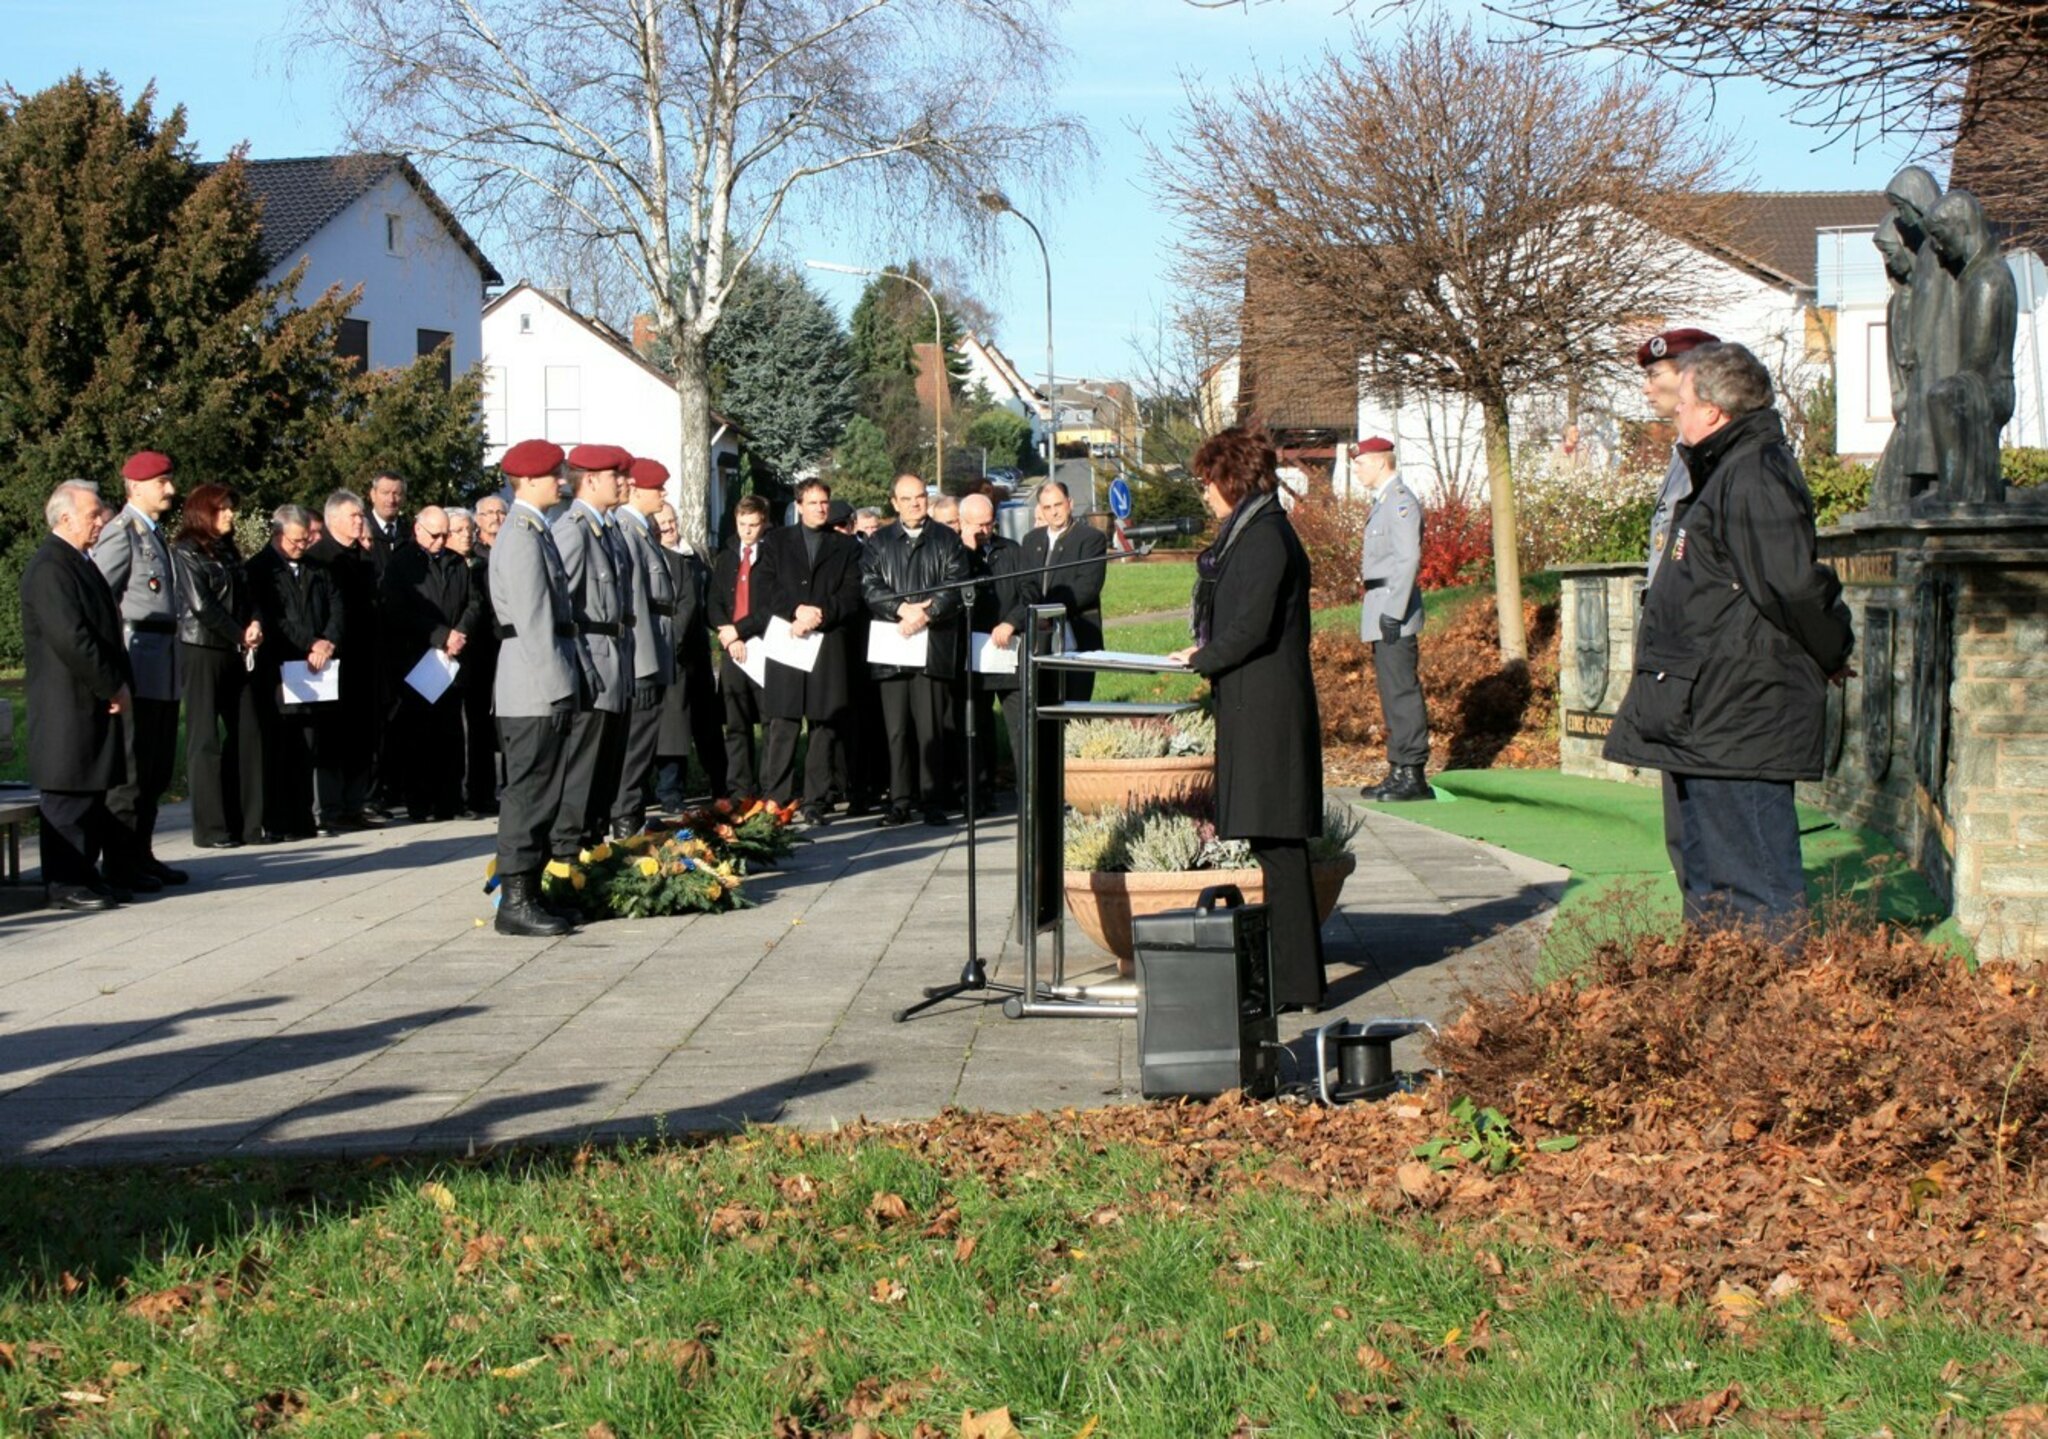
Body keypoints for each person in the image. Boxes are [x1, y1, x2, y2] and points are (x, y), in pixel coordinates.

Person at [1604, 342, 1854, 945]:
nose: (1676, 410)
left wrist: (1833, 649)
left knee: (1755, 894)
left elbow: (1790, 584)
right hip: (1708, 712)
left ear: (1714, 411)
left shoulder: (1754, 471)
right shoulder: (1725, 467)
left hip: (1741, 713)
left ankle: (1770, 1000)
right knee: (1712, 887)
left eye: (1685, 402)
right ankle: (1719, 993)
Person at [1167, 426, 1326, 1011]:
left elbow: (1252, 626)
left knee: (1280, 848)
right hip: (1256, 706)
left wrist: (1203, 658)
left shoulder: (1264, 537)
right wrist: (1205, 654)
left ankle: (1297, 984)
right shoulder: (1255, 529)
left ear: (1232, 479)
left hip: (1269, 712)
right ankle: (1296, 982)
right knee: (1275, 848)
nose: (1205, 492)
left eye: (1209, 481)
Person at [1636, 325, 1720, 887]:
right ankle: (1702, 920)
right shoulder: (1682, 456)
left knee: (1701, 818)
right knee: (1680, 814)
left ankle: (1714, 923)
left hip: (1695, 651)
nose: (1647, 389)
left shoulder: (1709, 459)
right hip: (1672, 645)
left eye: (1655, 376)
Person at [23, 482, 133, 911]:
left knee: (89, 792)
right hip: (66, 701)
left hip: (86, 698)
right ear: (65, 518)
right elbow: (72, 638)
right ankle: (64, 883)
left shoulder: (78, 561)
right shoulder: (51, 567)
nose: (101, 520)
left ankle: (85, 875)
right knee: (67, 793)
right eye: (92, 514)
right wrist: (110, 684)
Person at [489, 440, 582, 937]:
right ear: (525, 481)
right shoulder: (522, 537)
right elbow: (535, 621)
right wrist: (559, 686)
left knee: (543, 792)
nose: (562, 482)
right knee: (528, 793)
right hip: (532, 684)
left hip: (537, 680)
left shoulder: (534, 530)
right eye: (553, 475)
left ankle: (532, 891)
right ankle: (515, 901)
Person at [740, 478, 865, 821]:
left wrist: (818, 614)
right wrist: (795, 611)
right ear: (798, 506)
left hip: (827, 640)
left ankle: (814, 800)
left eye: (824, 502)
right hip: (789, 636)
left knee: (824, 724)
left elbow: (851, 593)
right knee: (783, 721)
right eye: (812, 503)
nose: (820, 509)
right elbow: (766, 587)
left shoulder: (846, 546)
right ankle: (776, 799)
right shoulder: (777, 541)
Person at [93, 449, 188, 889]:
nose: (170, 489)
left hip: (163, 661)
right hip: (138, 659)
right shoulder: (121, 533)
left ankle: (142, 853)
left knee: (156, 768)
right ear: (134, 487)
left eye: (169, 480)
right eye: (161, 482)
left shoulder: (154, 533)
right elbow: (99, 599)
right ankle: (120, 861)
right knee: (133, 769)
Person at [862, 472, 970, 826]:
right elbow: (869, 585)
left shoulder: (947, 539)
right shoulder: (878, 542)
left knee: (930, 729)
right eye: (906, 498)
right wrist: (900, 609)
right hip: (893, 643)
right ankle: (899, 801)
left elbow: (956, 584)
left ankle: (932, 800)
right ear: (894, 503)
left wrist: (927, 613)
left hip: (931, 646)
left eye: (919, 497)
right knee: (896, 731)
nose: (914, 504)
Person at [550, 444, 636, 856]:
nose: (623, 482)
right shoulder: (573, 529)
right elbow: (560, 607)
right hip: (592, 666)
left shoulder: (608, 529)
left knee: (606, 770)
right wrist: (581, 667)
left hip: (615, 662)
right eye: (614, 476)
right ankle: (568, 855)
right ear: (590, 480)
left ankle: (593, 850)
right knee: (582, 771)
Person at [171, 483, 264, 849]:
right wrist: (239, 634)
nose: (230, 514)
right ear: (203, 512)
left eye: (230, 508)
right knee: (204, 738)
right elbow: (201, 604)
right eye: (222, 509)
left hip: (235, 647)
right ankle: (211, 828)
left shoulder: (228, 550)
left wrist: (255, 622)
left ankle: (248, 824)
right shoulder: (185, 550)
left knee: (248, 732)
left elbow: (249, 594)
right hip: (202, 648)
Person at [247, 505, 341, 843]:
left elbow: (336, 607)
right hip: (279, 665)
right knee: (280, 745)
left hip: (315, 667)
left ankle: (303, 817)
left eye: (306, 540)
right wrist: (310, 642)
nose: (302, 546)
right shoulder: (260, 569)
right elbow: (273, 618)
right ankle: (277, 819)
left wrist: (327, 641)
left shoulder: (317, 568)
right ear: (277, 535)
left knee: (308, 743)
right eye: (296, 541)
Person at [380, 506, 471, 821]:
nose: (441, 541)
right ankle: (419, 802)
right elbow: (398, 610)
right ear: (418, 530)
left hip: (452, 658)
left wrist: (459, 633)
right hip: (417, 658)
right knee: (419, 734)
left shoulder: (456, 562)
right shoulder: (401, 564)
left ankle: (450, 801)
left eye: (446, 534)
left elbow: (473, 602)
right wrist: (441, 635)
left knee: (450, 732)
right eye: (435, 535)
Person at [1353, 436, 1430, 802]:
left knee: (1401, 690)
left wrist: (1393, 612)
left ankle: (1413, 772)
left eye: (1360, 462)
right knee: (1390, 691)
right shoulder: (1383, 502)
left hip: (1392, 608)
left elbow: (1407, 559)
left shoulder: (1400, 502)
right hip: (1381, 605)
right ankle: (1398, 768)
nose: (1356, 469)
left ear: (1381, 462)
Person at [306, 490, 385, 831]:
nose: (360, 520)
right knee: (332, 737)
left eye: (361, 515)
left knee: (361, 735)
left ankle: (355, 804)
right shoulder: (319, 558)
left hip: (365, 658)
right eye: (353, 515)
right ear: (333, 518)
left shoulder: (363, 557)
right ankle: (330, 808)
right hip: (333, 658)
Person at [608, 458, 677, 837]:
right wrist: (645, 664)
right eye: (657, 487)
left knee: (644, 740)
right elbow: (634, 601)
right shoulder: (628, 531)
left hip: (656, 648)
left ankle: (630, 811)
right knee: (636, 743)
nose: (663, 493)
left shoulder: (641, 530)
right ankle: (625, 817)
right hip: (642, 655)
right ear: (636, 489)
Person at [958, 491, 1038, 797]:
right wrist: (967, 551)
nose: (984, 530)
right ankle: (980, 790)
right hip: (972, 650)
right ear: (963, 523)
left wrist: (1012, 621)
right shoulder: (956, 553)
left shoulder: (1012, 550)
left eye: (989, 523)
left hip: (1007, 648)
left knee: (1019, 724)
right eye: (977, 524)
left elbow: (1030, 591)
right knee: (976, 725)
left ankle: (1026, 789)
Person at [652, 501, 727, 809]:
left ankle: (722, 786)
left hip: (698, 652)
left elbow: (708, 601)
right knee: (673, 726)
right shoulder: (653, 558)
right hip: (671, 653)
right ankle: (670, 792)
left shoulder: (695, 557)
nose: (669, 527)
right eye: (662, 524)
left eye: (672, 520)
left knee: (708, 724)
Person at [1020, 480, 1109, 699]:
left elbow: (1087, 587)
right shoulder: (1031, 540)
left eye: (1058, 505)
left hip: (1076, 635)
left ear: (1070, 503)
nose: (1054, 512)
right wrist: (1035, 614)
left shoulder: (1090, 539)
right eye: (1047, 507)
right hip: (1038, 638)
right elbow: (1026, 583)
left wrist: (1048, 613)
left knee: (1074, 704)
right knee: (1041, 703)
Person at [709, 496, 771, 797]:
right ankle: (740, 789)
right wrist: (729, 635)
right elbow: (714, 602)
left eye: (753, 525)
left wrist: (742, 631)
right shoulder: (726, 558)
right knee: (736, 723)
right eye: (742, 524)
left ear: (764, 523)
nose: (747, 531)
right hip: (732, 649)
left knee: (771, 720)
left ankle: (771, 786)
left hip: (763, 645)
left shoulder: (772, 557)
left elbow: (772, 605)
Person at [458, 497, 505, 814]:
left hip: (505, 645)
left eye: (502, 512)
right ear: (478, 519)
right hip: (479, 648)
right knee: (477, 723)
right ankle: (477, 791)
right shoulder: (473, 558)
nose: (496, 518)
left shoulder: (511, 550)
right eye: (489, 513)